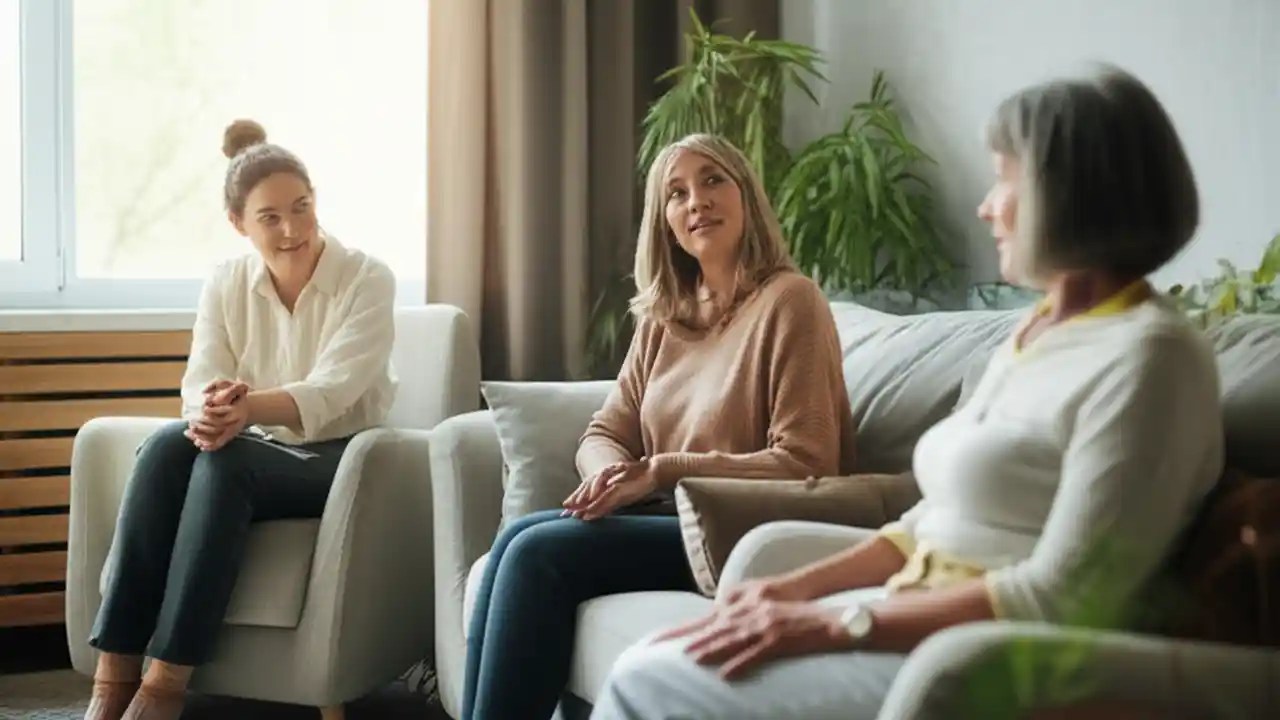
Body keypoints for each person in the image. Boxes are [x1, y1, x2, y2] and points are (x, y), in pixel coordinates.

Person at [590, 65, 1223, 720]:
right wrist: (788, 592)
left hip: (980, 654)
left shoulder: (1151, 357)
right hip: (911, 611)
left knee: (649, 678)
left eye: (1003, 177)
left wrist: (837, 624)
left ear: (1071, 192)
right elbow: (928, 523)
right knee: (657, 656)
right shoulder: (1038, 334)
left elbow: (1064, 596)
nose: (985, 205)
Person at [461, 134, 859, 719]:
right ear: (665, 221)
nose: (696, 200)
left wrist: (659, 472)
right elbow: (604, 431)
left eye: (713, 181)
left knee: (538, 554)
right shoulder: (666, 317)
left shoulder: (790, 302)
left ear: (746, 195)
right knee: (515, 541)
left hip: (744, 525)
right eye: (677, 193)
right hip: (669, 514)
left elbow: (807, 461)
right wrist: (610, 476)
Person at [84, 120, 397, 720]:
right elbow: (202, 377)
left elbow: (334, 390)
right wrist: (214, 411)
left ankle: (166, 684)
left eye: (302, 208)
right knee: (165, 448)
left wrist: (245, 409)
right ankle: (114, 671)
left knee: (228, 463)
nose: (292, 229)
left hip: (345, 456)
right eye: (271, 217)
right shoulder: (227, 281)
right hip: (248, 441)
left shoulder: (366, 278)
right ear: (239, 224)